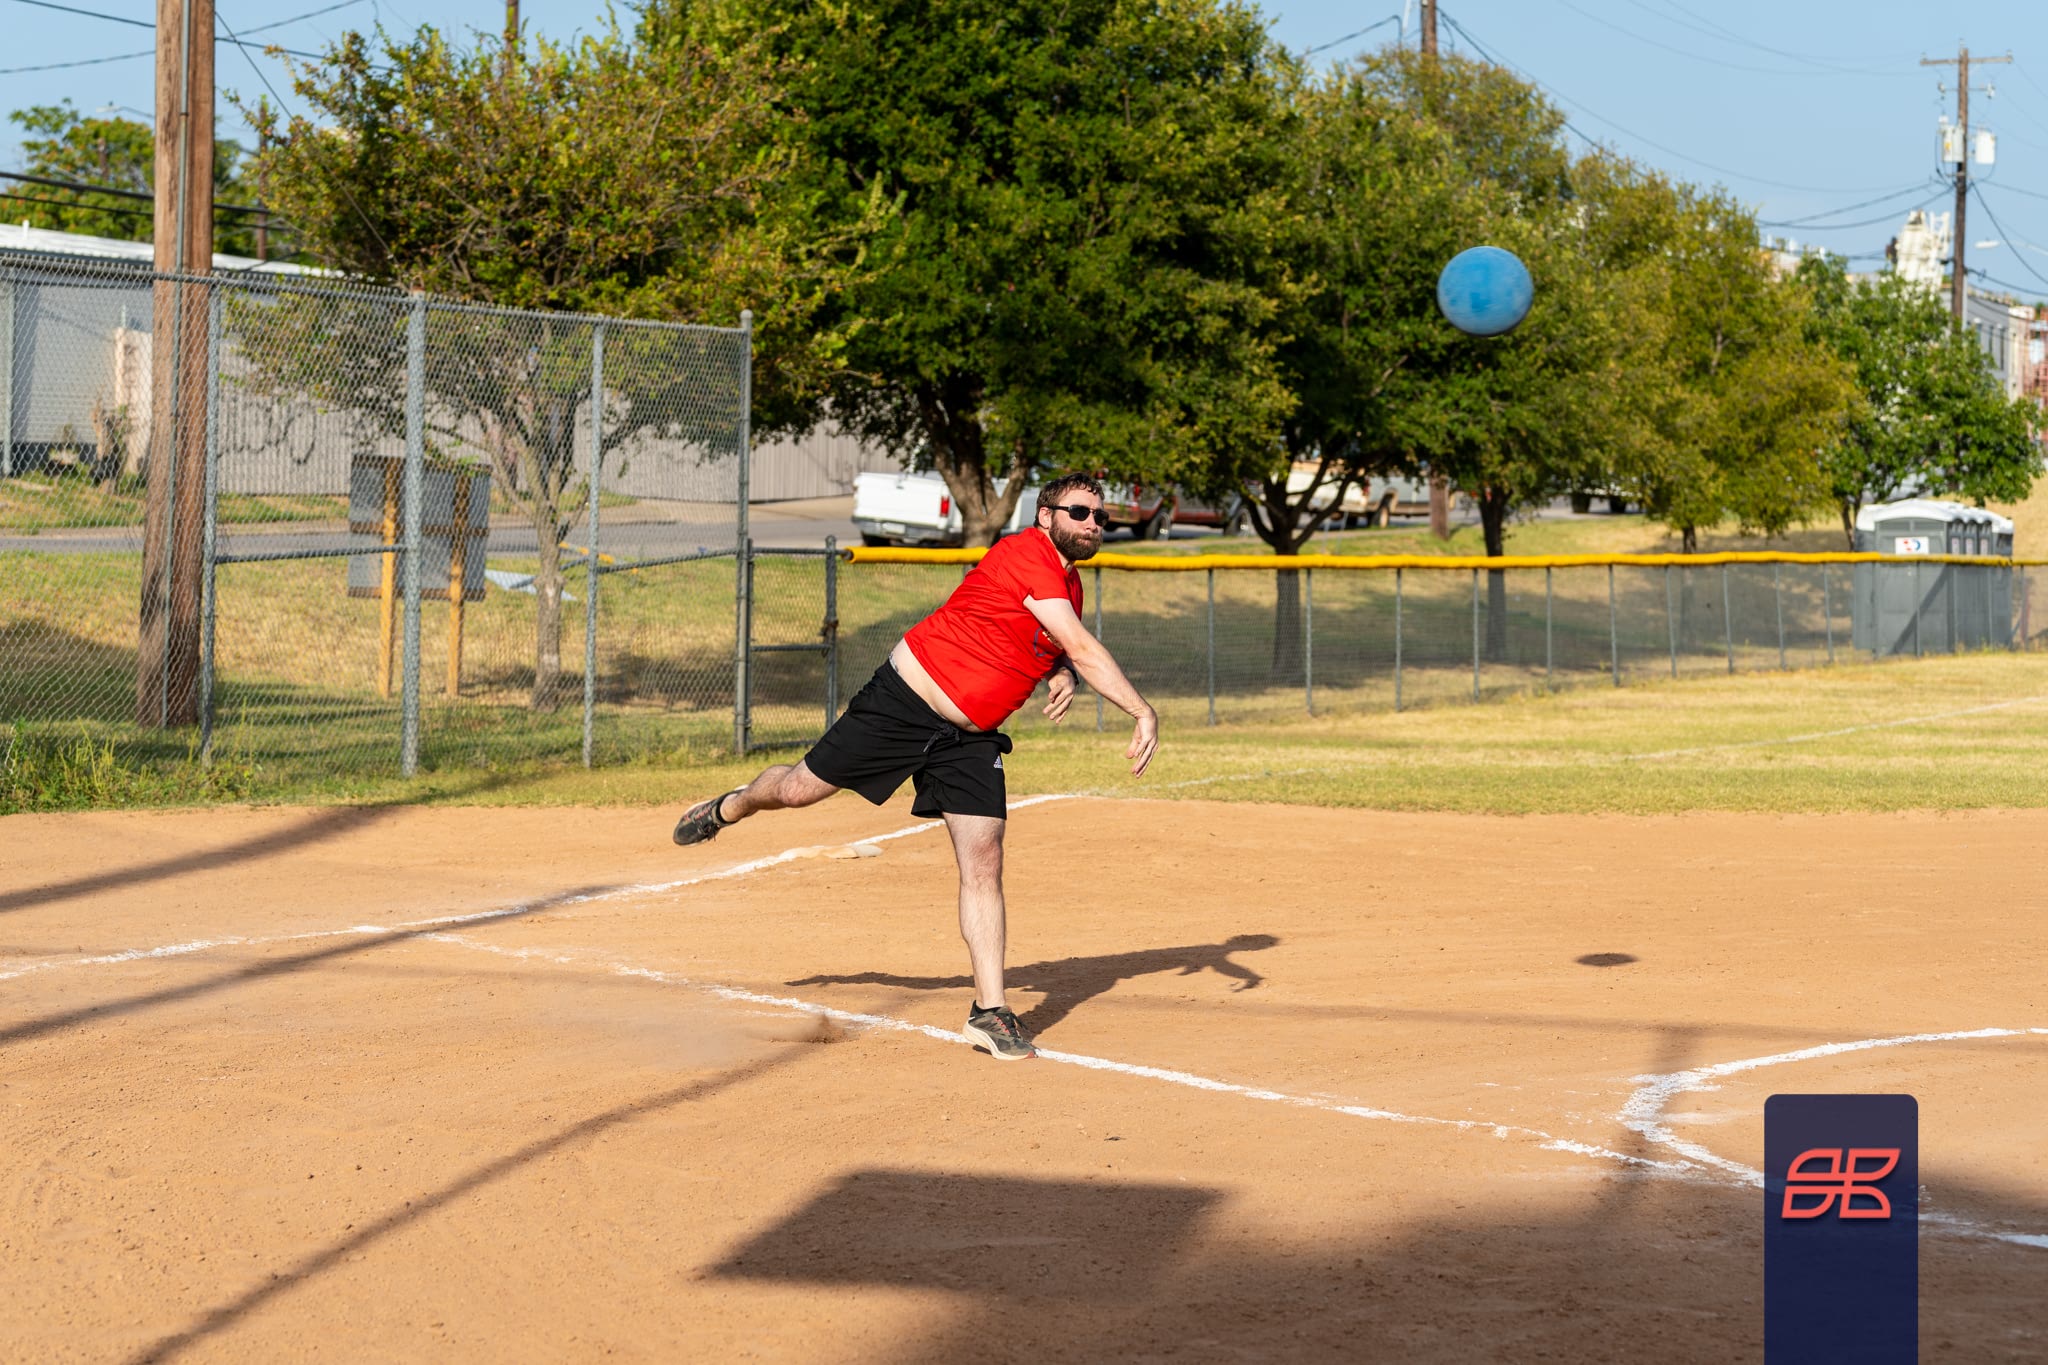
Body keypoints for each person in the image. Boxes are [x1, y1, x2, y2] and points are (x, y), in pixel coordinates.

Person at [671, 473, 1159, 1061]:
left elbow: (1057, 646)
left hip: (969, 738)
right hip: (902, 704)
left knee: (985, 857)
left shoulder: (1069, 587)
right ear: (1045, 514)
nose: (1092, 525)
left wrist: (1059, 672)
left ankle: (990, 1012)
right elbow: (1078, 644)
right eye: (1080, 512)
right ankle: (733, 805)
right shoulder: (1025, 552)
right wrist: (1139, 710)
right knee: (798, 791)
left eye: (1100, 518)